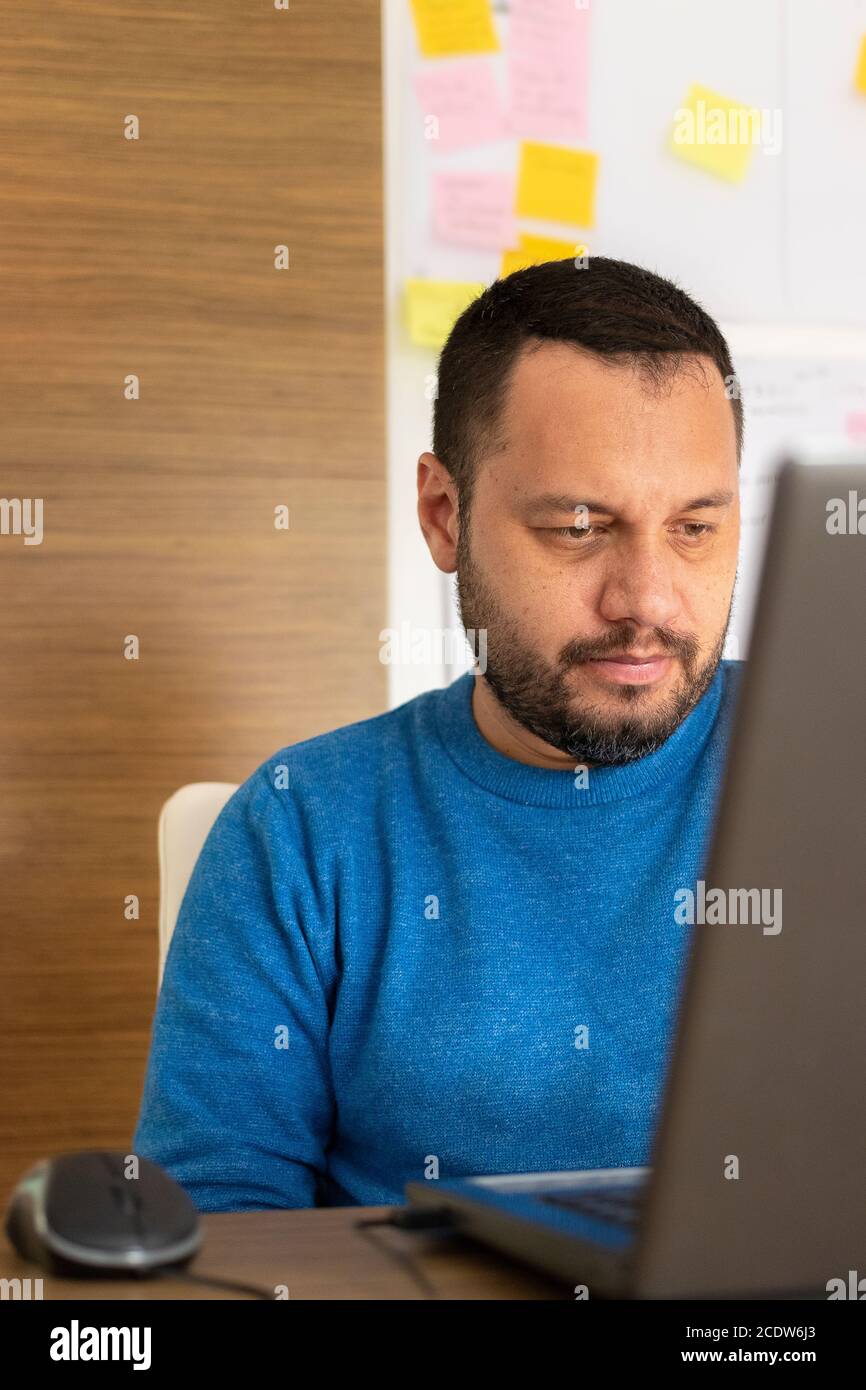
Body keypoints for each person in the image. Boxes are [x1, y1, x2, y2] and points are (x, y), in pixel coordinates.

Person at [133, 256, 744, 1210]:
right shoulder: (300, 829)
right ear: (444, 514)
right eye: (581, 526)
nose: (649, 601)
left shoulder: (832, 763)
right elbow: (220, 1222)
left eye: (695, 529)